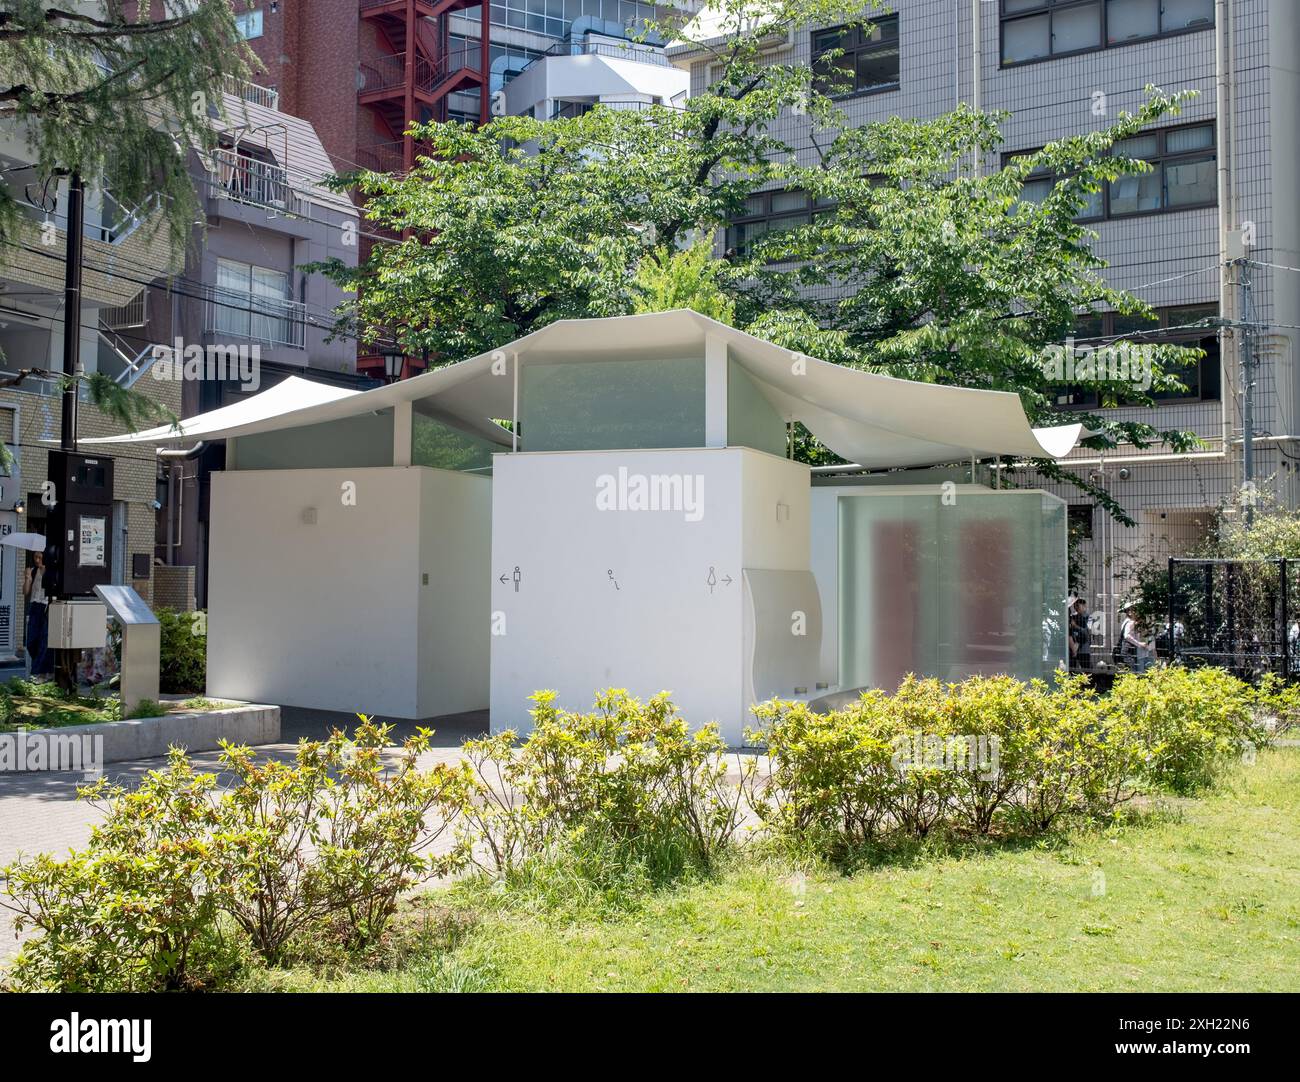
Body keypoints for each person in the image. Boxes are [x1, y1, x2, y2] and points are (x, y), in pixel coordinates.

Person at [23, 551, 51, 678]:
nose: (37, 560)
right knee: (31, 641)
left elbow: (49, 582)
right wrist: (28, 578)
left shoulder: (49, 571)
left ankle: (39, 673)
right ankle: (39, 668)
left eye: (40, 557)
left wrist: (43, 569)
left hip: (45, 606)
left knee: (43, 640)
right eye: (35, 557)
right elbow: (25, 591)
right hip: (34, 606)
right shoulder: (33, 571)